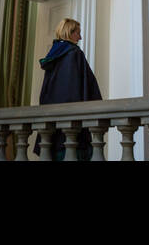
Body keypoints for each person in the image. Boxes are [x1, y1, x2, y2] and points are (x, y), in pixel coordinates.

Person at [35, 18, 102, 160]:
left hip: (52, 122)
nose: (80, 37)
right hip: (71, 124)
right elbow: (78, 88)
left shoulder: (53, 54)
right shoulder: (74, 54)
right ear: (69, 33)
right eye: (78, 33)